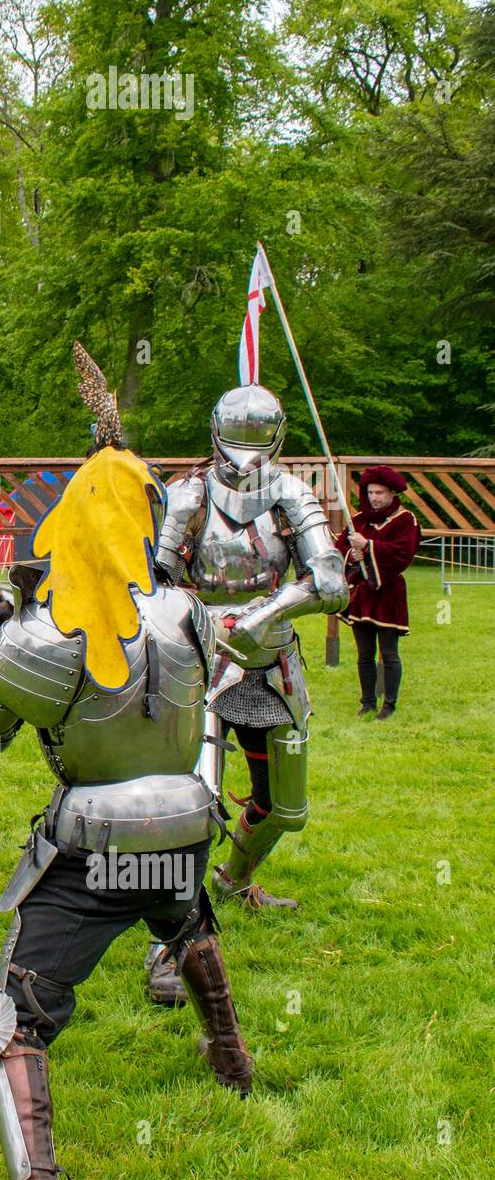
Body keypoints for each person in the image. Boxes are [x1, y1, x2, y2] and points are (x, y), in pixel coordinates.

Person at [0, 353, 249, 1180]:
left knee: (12, 1021)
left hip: (93, 843)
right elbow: (215, 695)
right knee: (182, 912)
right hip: (187, 822)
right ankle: (229, 1051)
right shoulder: (189, 610)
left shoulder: (48, 636)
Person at [149, 385, 347, 973]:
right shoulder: (187, 494)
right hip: (199, 659)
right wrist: (207, 622)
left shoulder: (291, 493)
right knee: (194, 801)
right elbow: (157, 577)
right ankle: (173, 934)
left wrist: (258, 617)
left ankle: (234, 878)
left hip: (271, 662)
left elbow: (330, 583)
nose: (243, 457)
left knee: (286, 808)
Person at [334, 466, 421, 720]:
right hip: (362, 596)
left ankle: (389, 705)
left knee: (389, 652)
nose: (374, 497)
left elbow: (402, 554)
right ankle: (368, 702)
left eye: (380, 492)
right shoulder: (359, 520)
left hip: (389, 594)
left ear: (392, 493)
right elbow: (339, 550)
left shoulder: (406, 520)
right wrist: (353, 554)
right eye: (371, 492)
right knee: (364, 653)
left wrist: (369, 546)